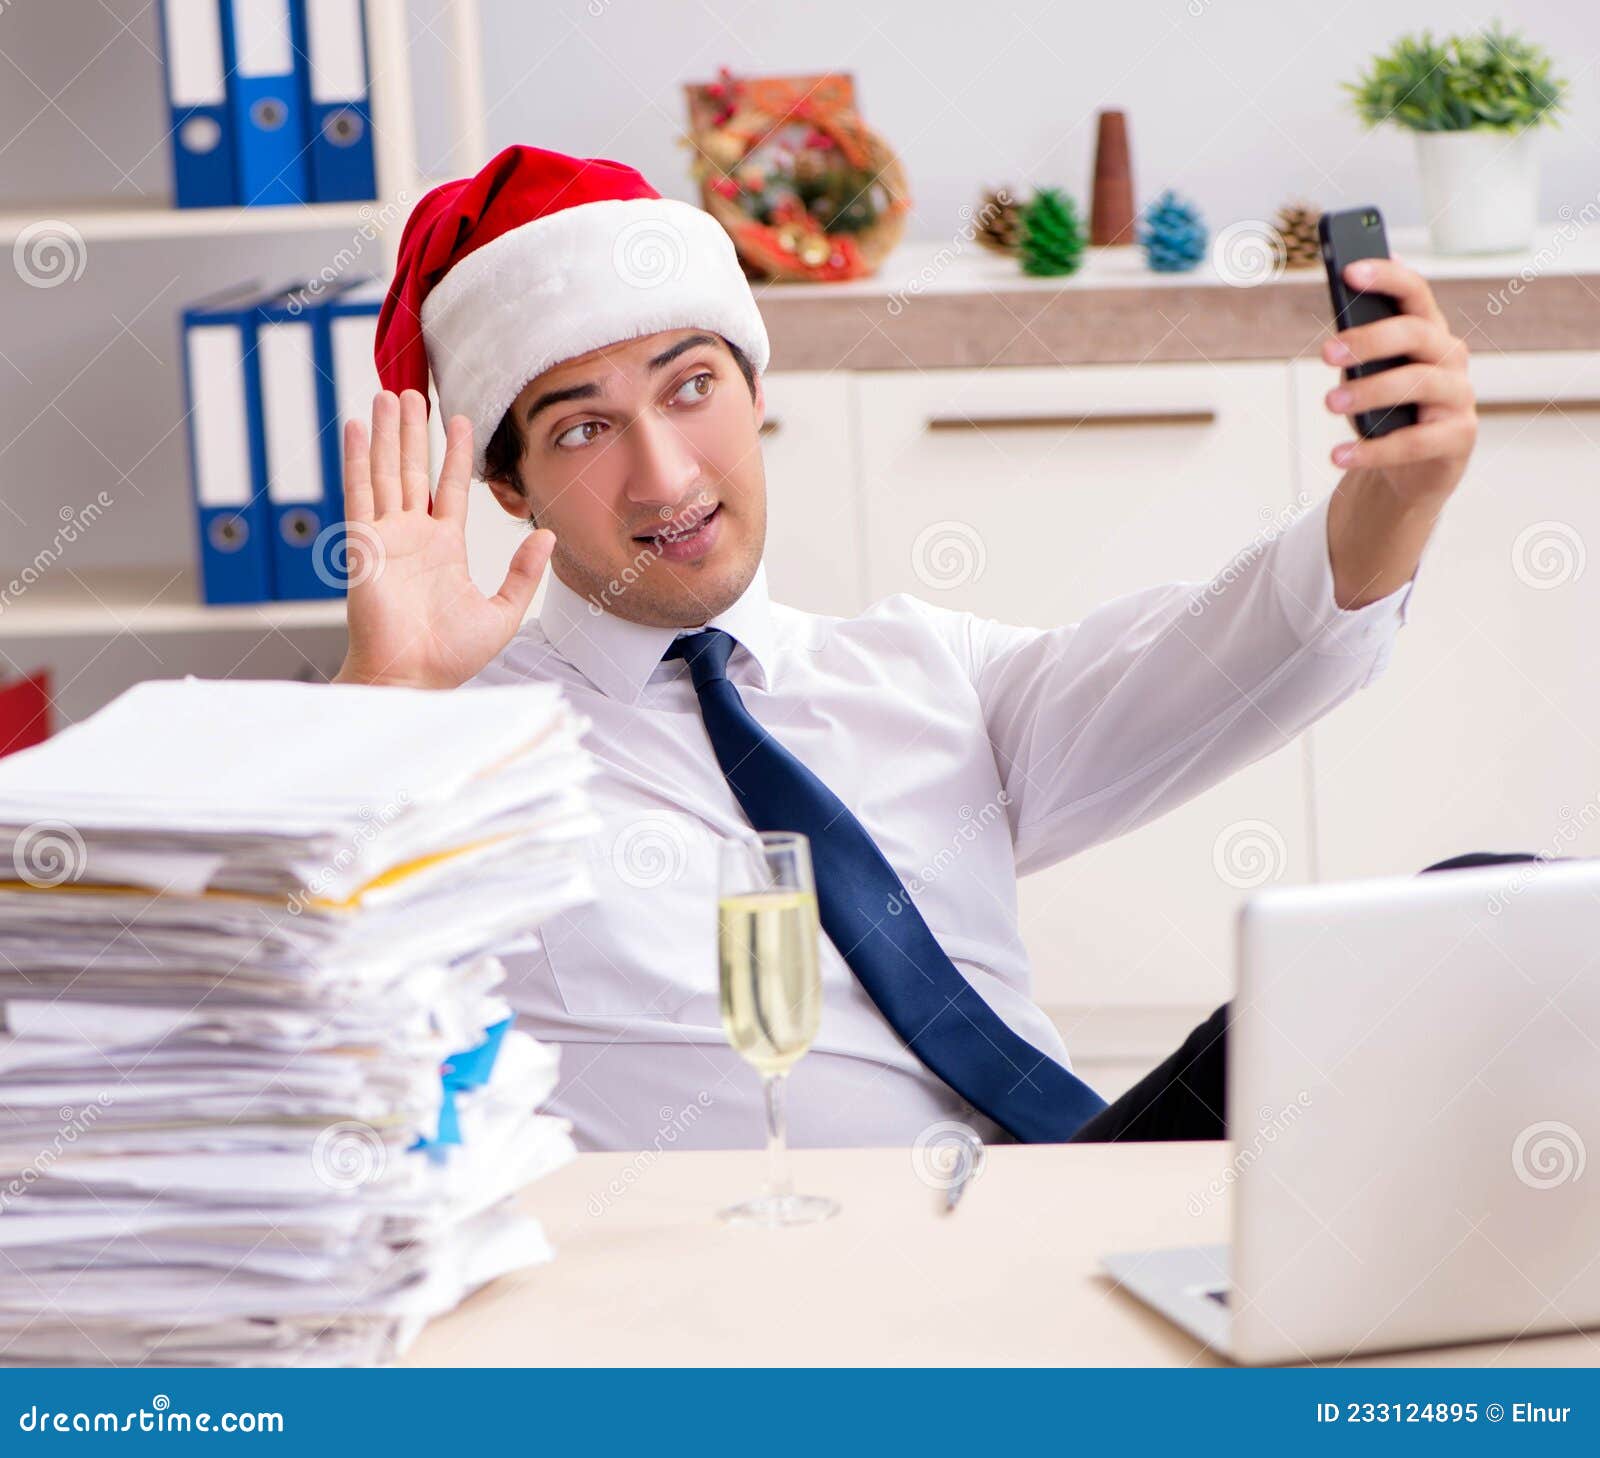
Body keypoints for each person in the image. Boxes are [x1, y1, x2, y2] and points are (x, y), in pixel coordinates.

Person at [334, 144, 1482, 1152]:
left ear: (754, 389)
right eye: (584, 428)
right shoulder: (451, 746)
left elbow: (1239, 648)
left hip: (1064, 1198)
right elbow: (246, 1018)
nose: (667, 476)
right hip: (782, 1283)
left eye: (692, 389)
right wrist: (389, 699)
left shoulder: (925, 672)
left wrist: (1400, 492)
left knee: (1477, 920)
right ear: (508, 487)